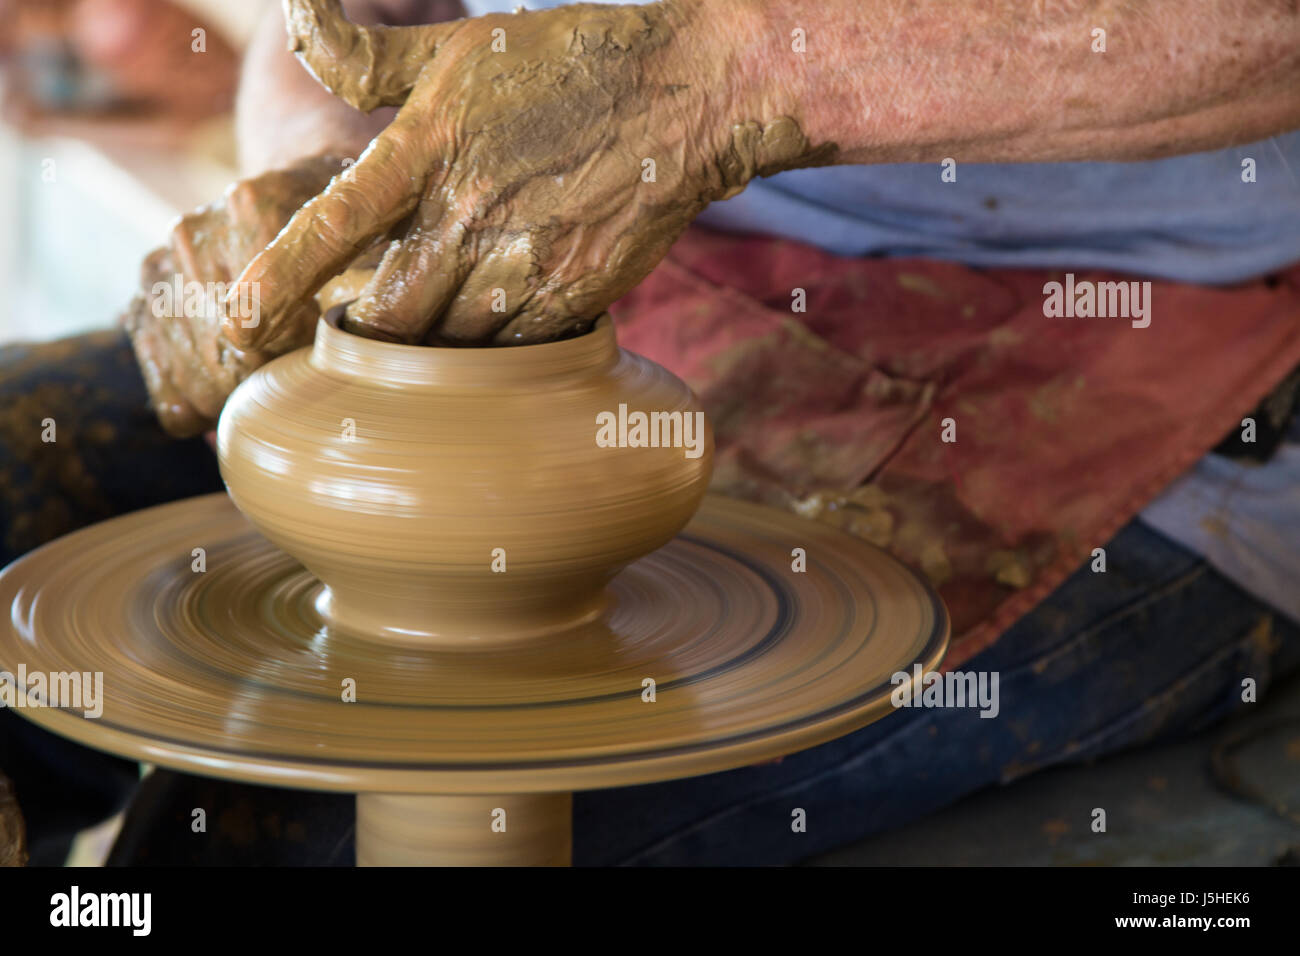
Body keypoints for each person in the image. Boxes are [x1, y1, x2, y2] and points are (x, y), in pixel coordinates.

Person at [3, 0, 1299, 865]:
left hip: (1108, 326)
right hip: (554, 218)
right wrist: (332, 181)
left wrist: (725, 76)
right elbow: (352, 23)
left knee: (292, 832)